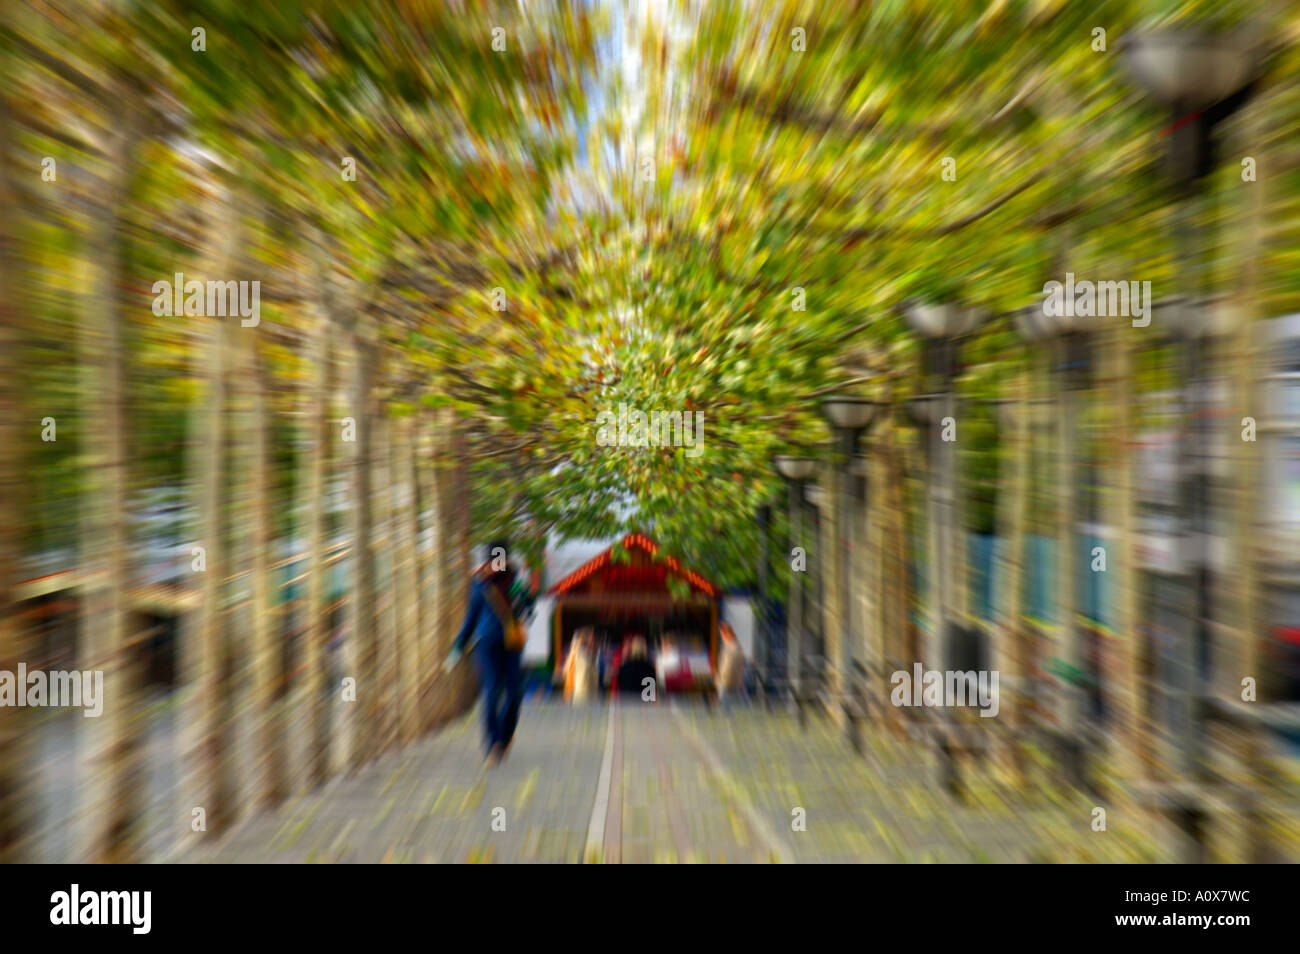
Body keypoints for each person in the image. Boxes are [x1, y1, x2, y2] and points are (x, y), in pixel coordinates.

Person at [444, 540, 537, 765]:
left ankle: (505, 737)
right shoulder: (479, 585)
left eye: (500, 559)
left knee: (515, 693)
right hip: (486, 645)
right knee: (492, 691)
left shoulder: (514, 581)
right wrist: (457, 648)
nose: (496, 564)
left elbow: (527, 610)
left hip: (512, 644)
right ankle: (492, 745)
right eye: (493, 559)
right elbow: (470, 619)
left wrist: (525, 598)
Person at [563, 628, 598, 703]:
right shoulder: (576, 654)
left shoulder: (590, 656)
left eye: (593, 639)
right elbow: (568, 673)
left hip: (591, 696)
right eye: (591, 638)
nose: (593, 641)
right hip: (581, 697)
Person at [716, 622, 745, 706]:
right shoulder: (737, 644)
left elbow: (725, 666)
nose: (721, 635)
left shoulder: (728, 645)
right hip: (736, 680)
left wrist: (719, 678)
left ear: (724, 633)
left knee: (725, 703)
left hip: (726, 680)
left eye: (721, 633)